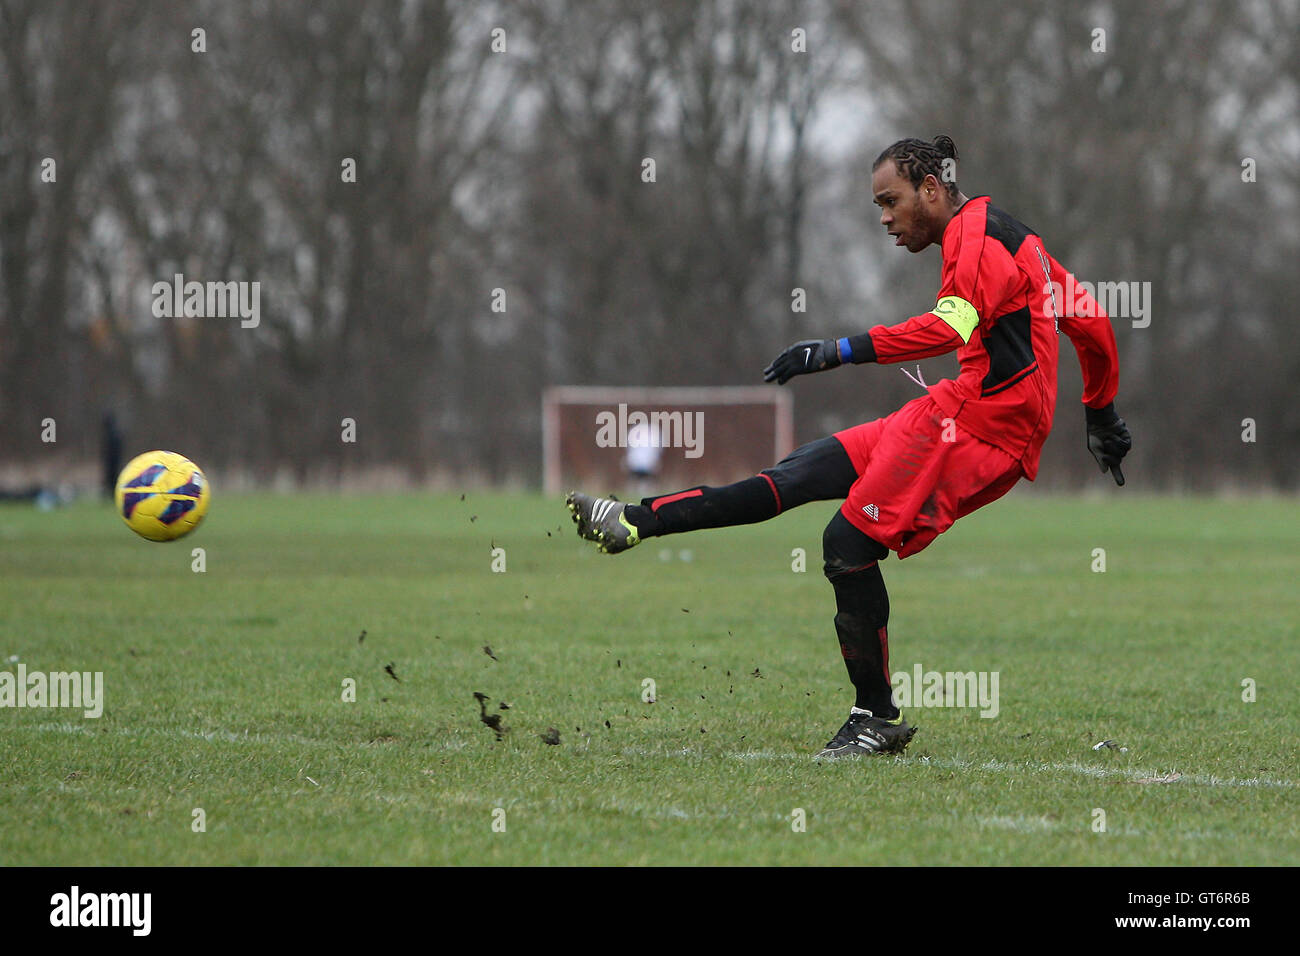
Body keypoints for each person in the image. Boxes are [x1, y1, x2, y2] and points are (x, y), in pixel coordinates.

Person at [567, 135, 1132, 759]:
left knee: (846, 542)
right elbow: (1092, 319)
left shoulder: (974, 239)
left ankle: (876, 716)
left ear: (931, 189)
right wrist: (1101, 412)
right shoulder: (1012, 236)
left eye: (891, 201)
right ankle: (635, 519)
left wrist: (836, 350)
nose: (885, 218)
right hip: (951, 409)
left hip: (980, 432)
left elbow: (948, 327)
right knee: (799, 473)